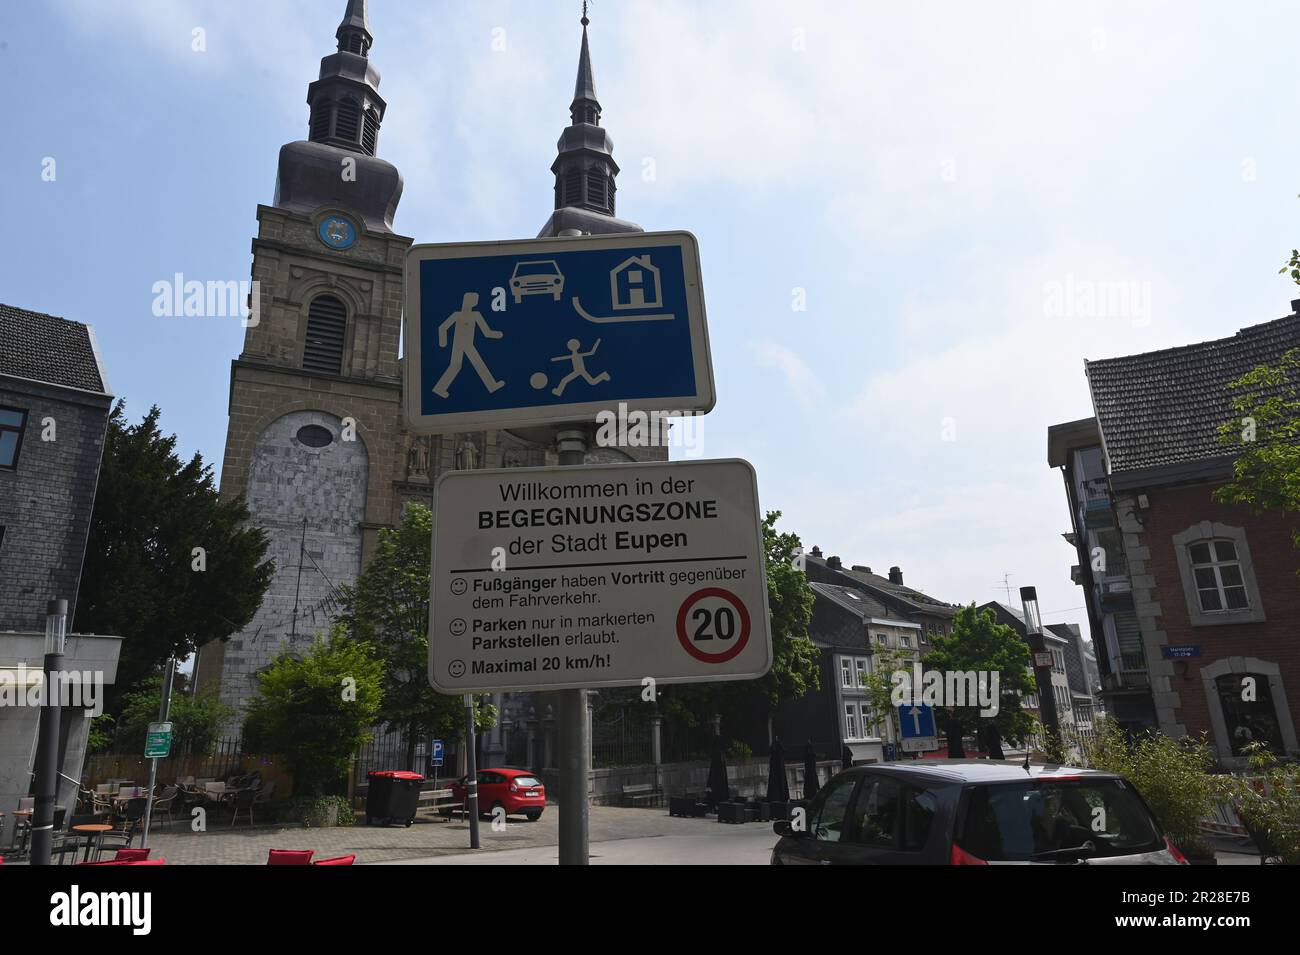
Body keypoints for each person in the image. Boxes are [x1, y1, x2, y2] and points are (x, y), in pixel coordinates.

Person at [432, 292, 505, 398]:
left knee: (471, 365)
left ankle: (492, 385)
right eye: (474, 300)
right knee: (458, 366)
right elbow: (443, 327)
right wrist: (443, 342)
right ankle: (439, 388)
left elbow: (487, 332)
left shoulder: (476, 315)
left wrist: (497, 334)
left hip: (468, 345)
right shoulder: (457, 315)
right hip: (458, 345)